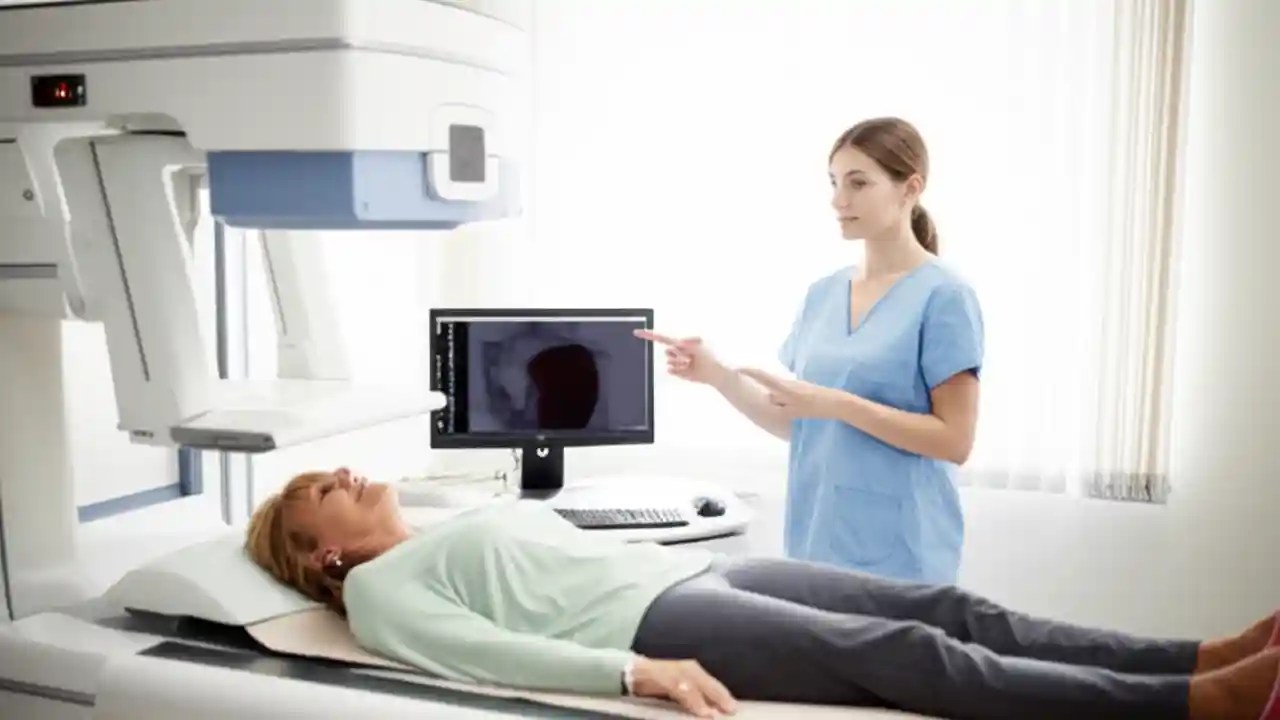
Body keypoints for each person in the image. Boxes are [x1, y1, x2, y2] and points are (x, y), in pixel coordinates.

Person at [246, 468, 1280, 720]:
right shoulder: (381, 592)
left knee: (942, 606)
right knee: (910, 659)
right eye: (317, 496)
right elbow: (483, 656)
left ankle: (1193, 655)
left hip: (691, 572)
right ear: (319, 559)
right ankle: (1196, 706)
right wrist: (632, 670)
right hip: (652, 620)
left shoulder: (441, 518)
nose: (341, 478)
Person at [636, 117, 982, 585]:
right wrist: (718, 374)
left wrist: (836, 404)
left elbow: (954, 441)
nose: (839, 201)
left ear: (910, 188)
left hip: (905, 556)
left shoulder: (944, 296)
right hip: (814, 546)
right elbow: (797, 424)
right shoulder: (824, 295)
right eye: (835, 182)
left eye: (859, 183)